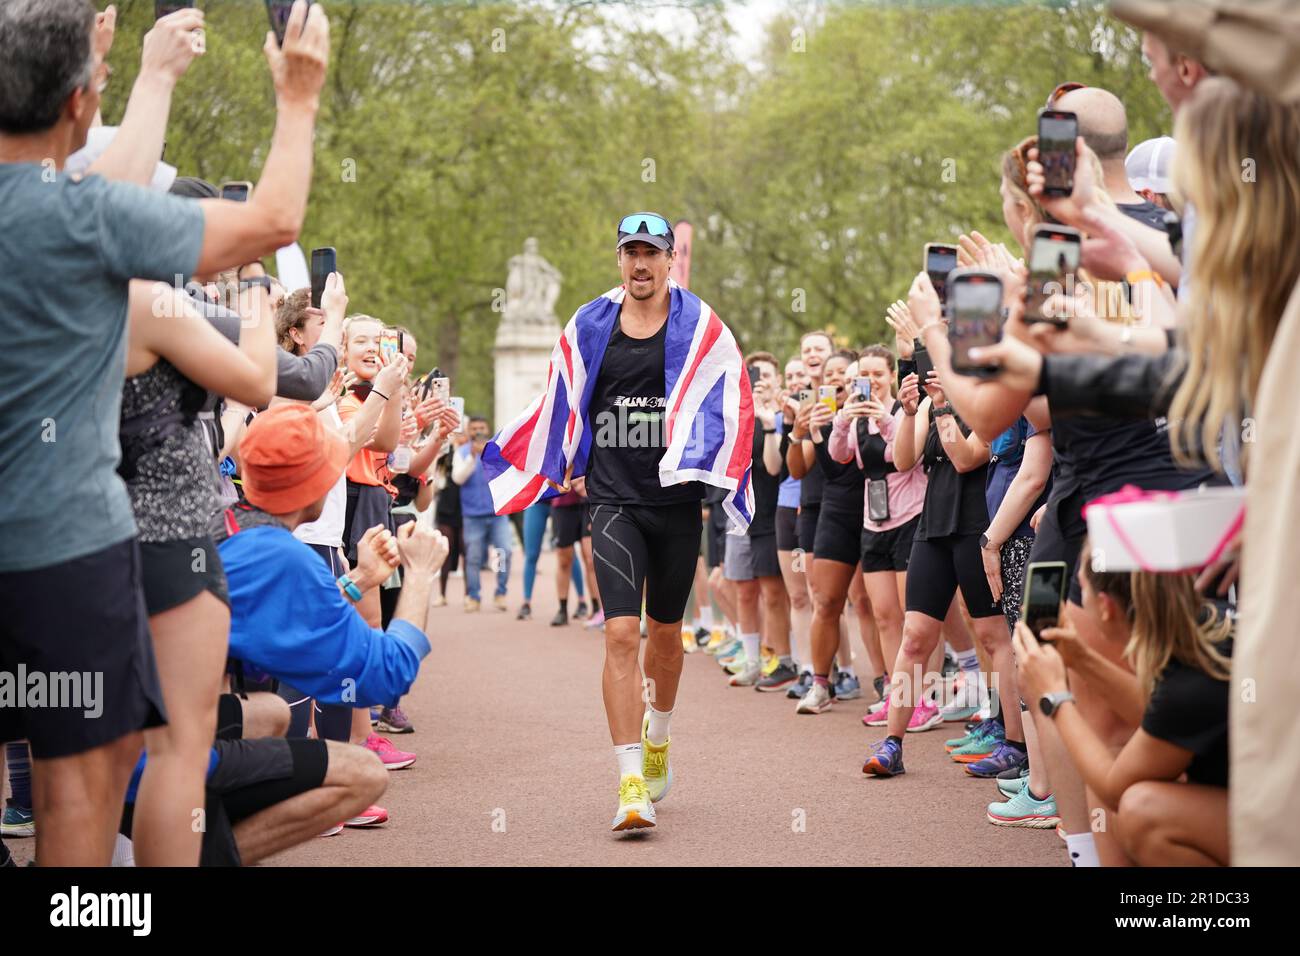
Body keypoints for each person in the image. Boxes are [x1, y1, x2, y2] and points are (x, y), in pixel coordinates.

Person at [0, 0, 330, 866]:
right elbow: (271, 224)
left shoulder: (78, 214)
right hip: (68, 554)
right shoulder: (84, 221)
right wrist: (297, 98)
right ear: (78, 104)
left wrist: (148, 76)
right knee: (80, 785)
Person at [481, 212, 753, 832]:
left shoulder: (702, 326)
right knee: (621, 634)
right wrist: (569, 459)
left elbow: (730, 399)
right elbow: (561, 396)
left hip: (676, 503)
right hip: (612, 501)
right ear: (619, 259)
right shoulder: (589, 324)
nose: (640, 264)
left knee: (665, 636)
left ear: (668, 260)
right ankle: (631, 781)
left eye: (651, 253)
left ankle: (659, 736)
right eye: (630, 252)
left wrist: (714, 466)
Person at [1014, 558, 1231, 864]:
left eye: (1080, 592)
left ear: (1104, 606)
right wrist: (1080, 659)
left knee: (1143, 813)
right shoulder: (1207, 626)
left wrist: (1054, 696)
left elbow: (1114, 788)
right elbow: (1159, 712)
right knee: (1128, 769)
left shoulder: (1191, 680)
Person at [830, 342, 927, 726]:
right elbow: (839, 456)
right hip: (873, 522)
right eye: (863, 376)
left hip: (910, 516)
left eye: (876, 374)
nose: (869, 381)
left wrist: (884, 418)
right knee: (884, 616)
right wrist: (842, 418)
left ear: (890, 376)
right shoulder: (855, 418)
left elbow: (905, 455)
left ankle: (921, 699)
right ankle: (895, 693)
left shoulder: (904, 411)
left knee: (912, 618)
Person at [722, 352, 792, 689]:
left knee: (774, 593)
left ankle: (783, 658)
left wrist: (769, 417)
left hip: (773, 513)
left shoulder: (782, 416)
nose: (759, 382)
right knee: (743, 590)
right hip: (741, 512)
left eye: (766, 376)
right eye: (754, 376)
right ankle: (752, 659)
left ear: (777, 381)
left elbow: (776, 466)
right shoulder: (739, 416)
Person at [454, 415, 514, 612]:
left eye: (481, 427)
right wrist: (472, 457)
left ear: (487, 429)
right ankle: (473, 596)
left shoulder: (497, 450)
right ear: (469, 431)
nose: (478, 431)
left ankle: (501, 592)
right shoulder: (461, 452)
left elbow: (506, 474)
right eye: (474, 428)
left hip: (497, 513)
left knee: (504, 552)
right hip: (472, 514)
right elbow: (458, 478)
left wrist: (487, 456)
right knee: (473, 558)